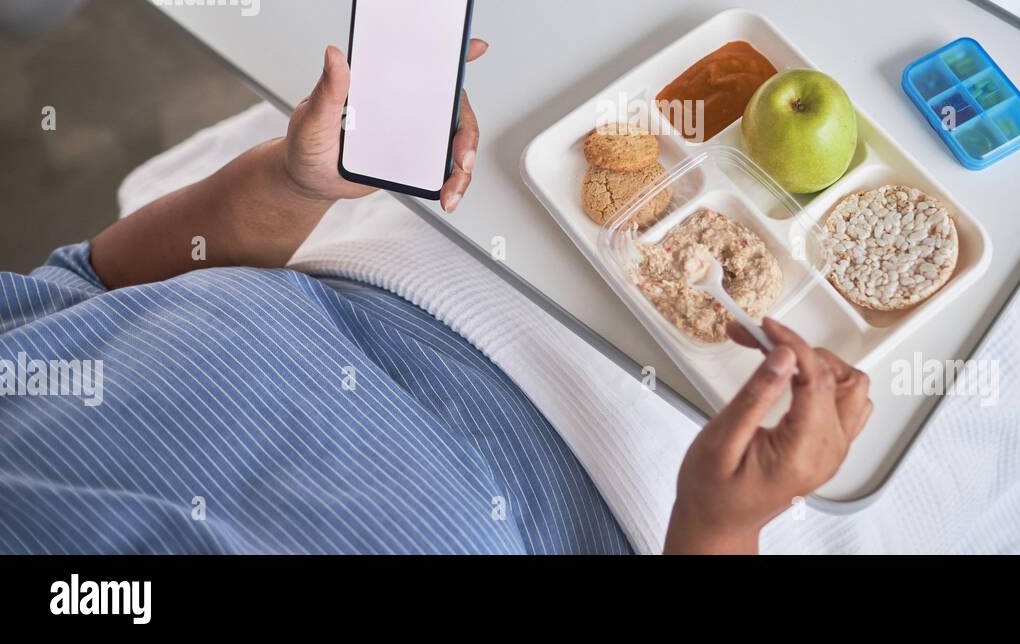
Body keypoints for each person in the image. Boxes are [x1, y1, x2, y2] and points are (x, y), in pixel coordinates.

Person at [0, 43, 871, 554]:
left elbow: (90, 282)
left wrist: (292, 183)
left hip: (407, 262)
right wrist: (721, 524)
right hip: (659, 466)